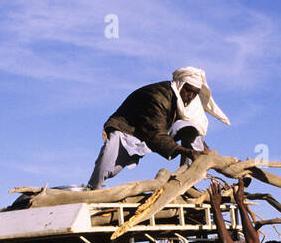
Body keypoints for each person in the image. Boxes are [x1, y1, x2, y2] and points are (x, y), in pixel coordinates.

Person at [87, 67, 229, 189]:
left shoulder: (182, 102)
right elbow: (155, 135)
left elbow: (189, 131)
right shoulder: (158, 97)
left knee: (191, 130)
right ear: (180, 85)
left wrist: (207, 151)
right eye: (188, 90)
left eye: (194, 93)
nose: (190, 96)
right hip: (128, 132)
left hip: (157, 131)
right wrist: (186, 151)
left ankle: (187, 182)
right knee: (106, 168)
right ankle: (92, 191)